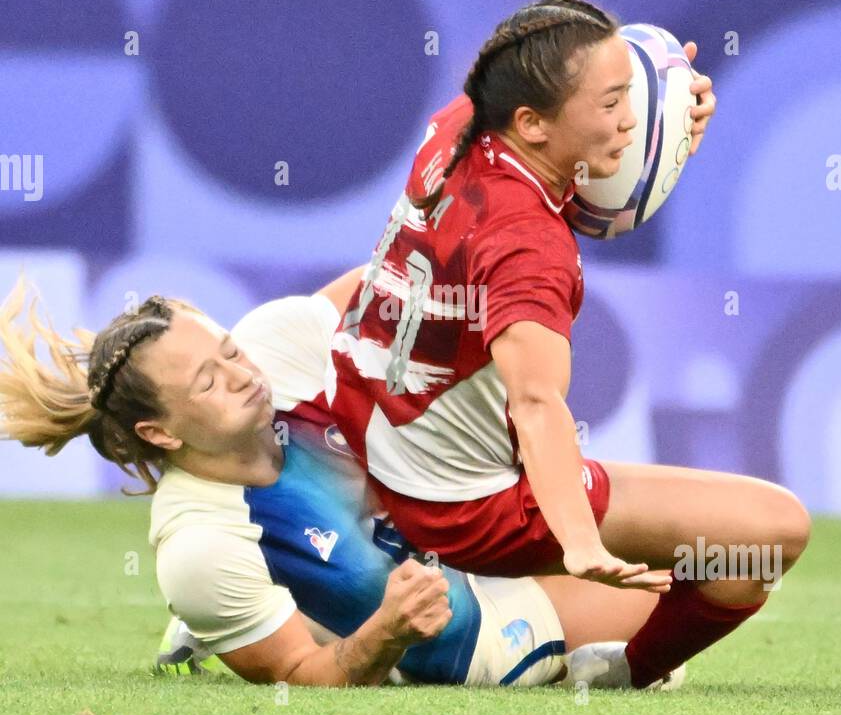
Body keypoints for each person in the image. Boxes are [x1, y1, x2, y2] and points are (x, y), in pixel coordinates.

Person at [328, 0, 812, 691]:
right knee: (765, 537)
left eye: (635, 99)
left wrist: (670, 114)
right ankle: (627, 673)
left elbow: (585, 190)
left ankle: (295, 584)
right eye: (617, 102)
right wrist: (580, 541)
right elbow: (534, 405)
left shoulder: (464, 123)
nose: (632, 118)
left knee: (656, 585)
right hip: (465, 507)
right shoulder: (528, 243)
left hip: (361, 430)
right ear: (532, 121)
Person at [0, 269, 687, 693]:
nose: (241, 372)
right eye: (208, 380)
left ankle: (245, 614)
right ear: (161, 433)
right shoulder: (199, 544)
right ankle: (248, 617)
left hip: (452, 524)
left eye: (228, 349)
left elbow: (399, 281)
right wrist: (385, 633)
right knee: (674, 613)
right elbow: (301, 680)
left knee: (698, 548)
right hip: (459, 625)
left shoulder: (275, 344)